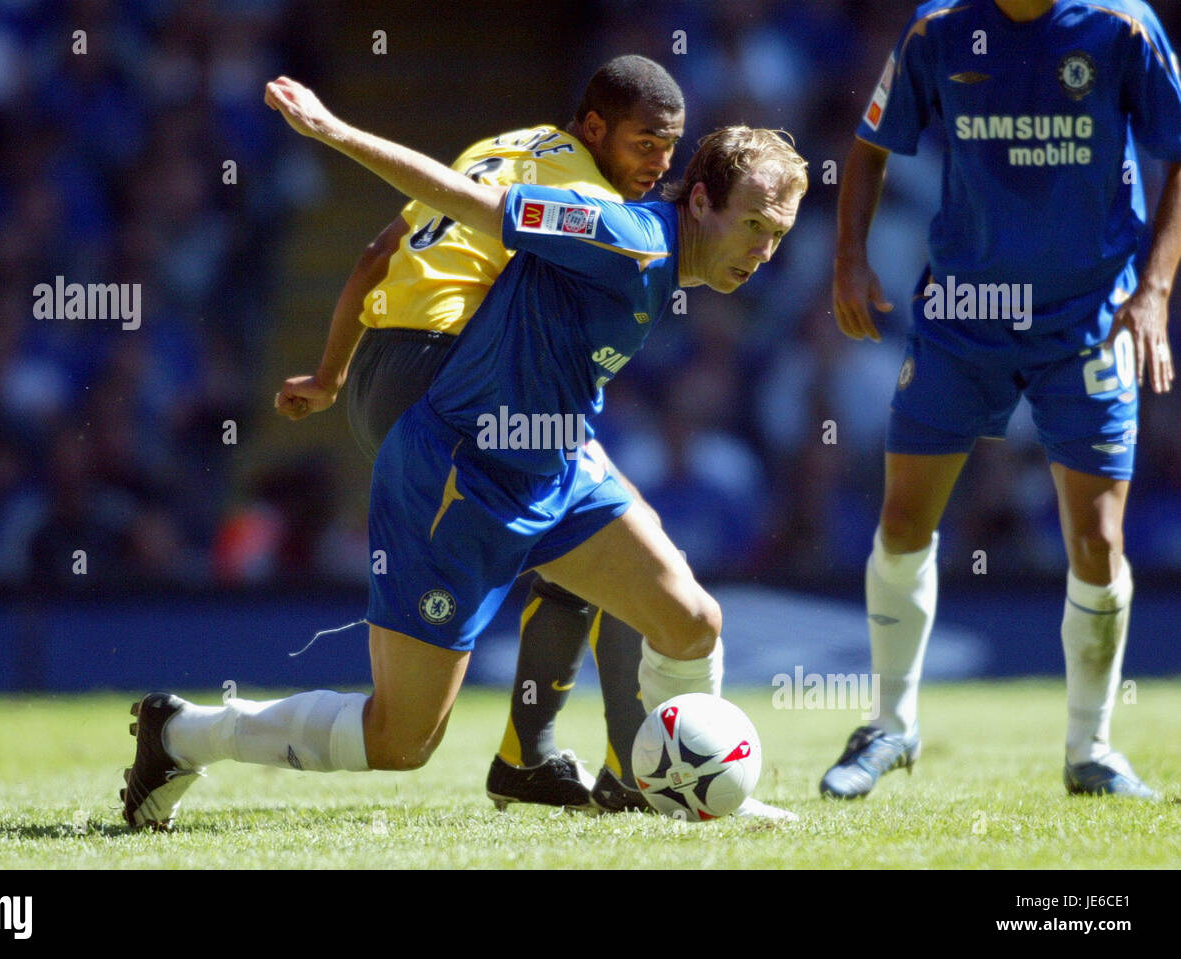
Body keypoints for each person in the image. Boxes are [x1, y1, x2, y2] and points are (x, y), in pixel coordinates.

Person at [120, 72, 807, 830]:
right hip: (456, 478)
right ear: (702, 201)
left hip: (553, 464)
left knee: (691, 622)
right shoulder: (617, 234)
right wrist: (334, 131)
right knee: (400, 739)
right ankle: (181, 734)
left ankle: (691, 795)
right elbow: (474, 203)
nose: (764, 252)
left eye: (778, 235)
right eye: (754, 227)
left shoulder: (652, 250)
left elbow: (395, 248)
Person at [273, 55, 686, 813]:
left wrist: (329, 378)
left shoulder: (491, 149)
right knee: (619, 535)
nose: (660, 166)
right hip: (448, 381)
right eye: (645, 143)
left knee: (586, 552)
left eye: (671, 147)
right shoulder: (589, 199)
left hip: (377, 379)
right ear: (594, 129)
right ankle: (623, 769)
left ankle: (533, 756)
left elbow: (374, 257)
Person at [825, 0, 1179, 800]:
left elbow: (1180, 148)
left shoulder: (1121, 26)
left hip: (1085, 319)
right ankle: (890, 725)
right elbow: (872, 141)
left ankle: (1090, 748)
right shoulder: (939, 29)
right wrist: (849, 260)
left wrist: (1154, 288)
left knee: (1097, 538)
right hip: (964, 317)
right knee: (904, 519)